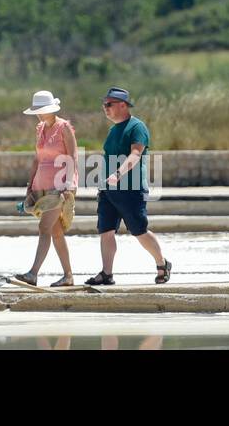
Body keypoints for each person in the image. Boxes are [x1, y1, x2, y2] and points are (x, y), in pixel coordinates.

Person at [85, 86, 172, 286]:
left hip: (131, 189)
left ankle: (162, 263)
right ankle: (107, 273)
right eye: (103, 104)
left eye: (109, 104)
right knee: (106, 230)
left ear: (123, 105)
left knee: (139, 230)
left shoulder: (136, 127)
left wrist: (118, 174)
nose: (104, 108)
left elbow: (135, 154)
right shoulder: (113, 130)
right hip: (109, 190)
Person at [13, 90, 78, 287]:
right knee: (56, 231)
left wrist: (68, 185)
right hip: (41, 185)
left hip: (59, 186)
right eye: (38, 111)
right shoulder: (40, 128)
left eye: (43, 110)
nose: (40, 114)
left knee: (44, 228)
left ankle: (33, 273)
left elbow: (73, 156)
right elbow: (37, 158)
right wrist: (30, 185)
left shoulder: (64, 127)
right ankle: (68, 276)